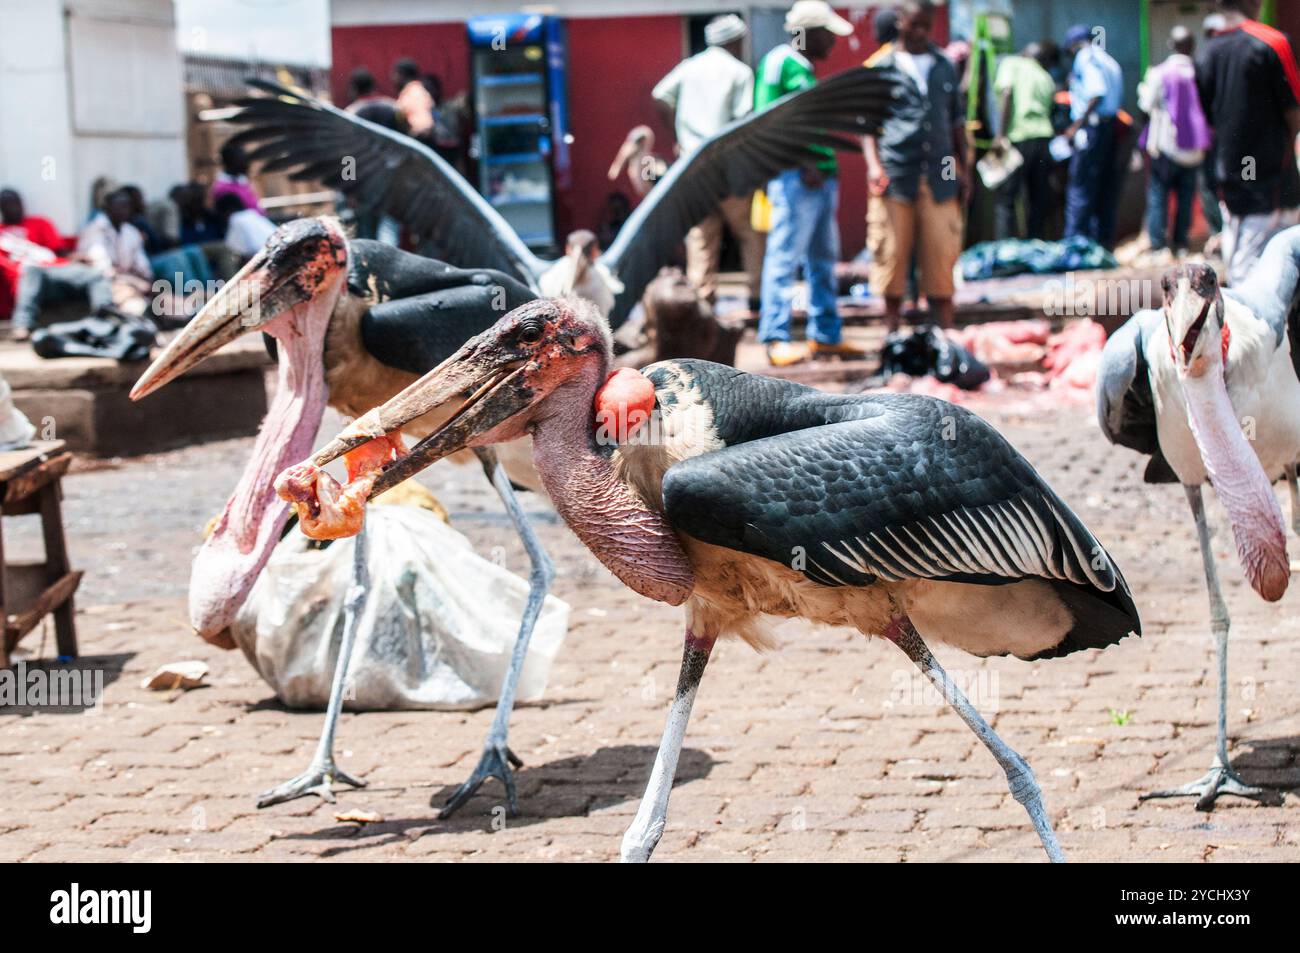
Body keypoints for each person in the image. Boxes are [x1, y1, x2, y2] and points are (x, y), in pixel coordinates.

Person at [755, 0, 856, 367]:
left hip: (821, 177)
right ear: (807, 33)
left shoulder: (804, 68)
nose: (832, 42)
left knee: (823, 261)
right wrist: (801, 162)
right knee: (785, 259)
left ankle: (826, 335)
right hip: (796, 177)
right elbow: (767, 122)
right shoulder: (780, 63)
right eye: (827, 34)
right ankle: (775, 337)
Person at [862, 1, 966, 333]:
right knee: (890, 258)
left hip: (939, 175)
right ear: (900, 21)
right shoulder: (880, 67)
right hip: (895, 175)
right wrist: (873, 166)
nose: (921, 32)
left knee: (941, 257)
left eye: (927, 25)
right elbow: (866, 126)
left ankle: (944, 338)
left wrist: (961, 169)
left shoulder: (945, 65)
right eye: (915, 24)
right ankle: (893, 337)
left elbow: (956, 124)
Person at [652, 13, 764, 307]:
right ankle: (756, 297)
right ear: (735, 41)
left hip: (692, 164)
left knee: (701, 236)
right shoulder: (740, 72)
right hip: (727, 165)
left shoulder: (690, 67)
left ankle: (702, 303)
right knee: (749, 231)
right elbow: (743, 121)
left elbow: (660, 95)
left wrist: (677, 135)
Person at [1197, 0, 1300, 285]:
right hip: (1273, 186)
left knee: (1243, 269)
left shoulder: (1207, 52)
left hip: (1230, 183)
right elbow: (1295, 110)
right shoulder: (1272, 42)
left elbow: (1207, 120)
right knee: (1266, 278)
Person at [1138, 26, 1211, 256]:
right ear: (1193, 46)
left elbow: (1147, 105)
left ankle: (1159, 245)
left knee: (1159, 193)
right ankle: (1181, 244)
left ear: (1171, 44)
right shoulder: (1201, 72)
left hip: (1167, 144)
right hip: (1196, 147)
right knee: (1186, 196)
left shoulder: (1160, 72)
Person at [1061, 24, 1124, 247]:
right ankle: (1101, 243)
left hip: (1091, 129)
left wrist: (1075, 126)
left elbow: (1096, 94)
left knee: (1080, 186)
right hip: (1107, 130)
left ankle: (1074, 245)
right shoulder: (1108, 60)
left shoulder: (1086, 58)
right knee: (1103, 187)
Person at [991, 42, 1057, 241]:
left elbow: (1007, 93)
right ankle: (1034, 244)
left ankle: (1004, 248)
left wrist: (1000, 135)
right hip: (1044, 139)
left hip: (1018, 138)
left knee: (1006, 198)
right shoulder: (1046, 77)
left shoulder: (1012, 63)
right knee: (1037, 197)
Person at [215, 193, 276, 260]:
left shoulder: (235, 218)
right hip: (275, 247)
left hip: (265, 254)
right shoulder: (251, 213)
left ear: (225, 211)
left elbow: (231, 247)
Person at [210, 141, 264, 215]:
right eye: (241, 160)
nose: (245, 165)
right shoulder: (223, 189)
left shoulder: (243, 182)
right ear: (231, 163)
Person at [393, 58, 435, 143]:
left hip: (419, 142)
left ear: (402, 74)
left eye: (395, 74)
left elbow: (423, 126)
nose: (393, 78)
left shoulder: (413, 93)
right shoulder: (415, 90)